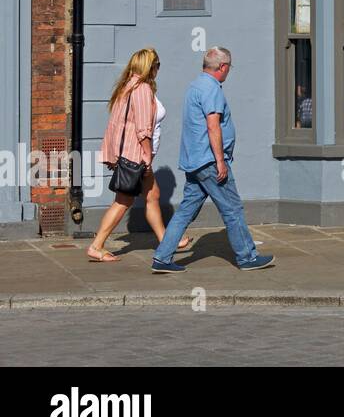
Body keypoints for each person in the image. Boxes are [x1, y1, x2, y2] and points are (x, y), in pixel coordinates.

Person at [152, 47, 274, 273]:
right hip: (209, 162)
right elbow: (213, 125)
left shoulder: (195, 86)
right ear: (223, 67)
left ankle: (162, 257)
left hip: (194, 161)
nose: (229, 71)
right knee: (233, 209)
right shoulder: (211, 89)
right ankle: (247, 257)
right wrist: (220, 161)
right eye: (229, 67)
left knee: (186, 210)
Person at [86, 49, 194, 262]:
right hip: (137, 156)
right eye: (157, 65)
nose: (158, 69)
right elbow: (143, 129)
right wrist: (147, 155)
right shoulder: (142, 89)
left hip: (131, 154)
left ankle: (167, 241)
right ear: (149, 66)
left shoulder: (128, 86)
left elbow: (119, 124)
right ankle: (97, 245)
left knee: (152, 195)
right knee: (123, 201)